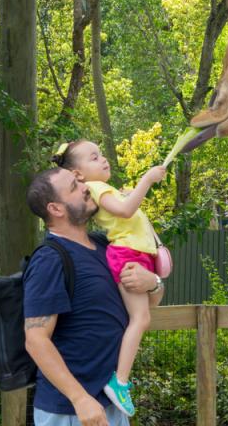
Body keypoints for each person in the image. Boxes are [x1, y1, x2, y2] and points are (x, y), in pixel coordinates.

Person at [24, 167, 164, 426]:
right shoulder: (50, 259)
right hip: (70, 410)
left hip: (111, 402)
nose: (86, 186)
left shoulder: (106, 245)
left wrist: (153, 283)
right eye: (74, 187)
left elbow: (147, 306)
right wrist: (80, 398)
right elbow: (35, 340)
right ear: (56, 209)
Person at [52, 140, 167, 417]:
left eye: (101, 154)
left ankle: (121, 381)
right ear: (78, 174)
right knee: (140, 319)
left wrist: (154, 280)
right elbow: (126, 211)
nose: (103, 159)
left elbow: (128, 212)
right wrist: (147, 180)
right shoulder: (98, 189)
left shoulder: (104, 190)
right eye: (94, 157)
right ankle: (121, 382)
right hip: (128, 255)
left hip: (133, 255)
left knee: (140, 316)